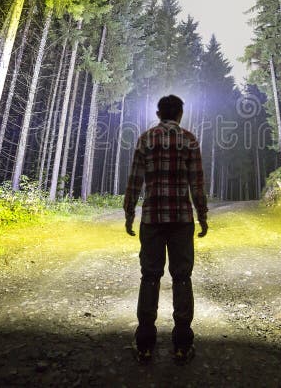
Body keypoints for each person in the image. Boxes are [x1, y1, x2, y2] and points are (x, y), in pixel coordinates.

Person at [123, 94, 209, 365]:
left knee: (150, 277)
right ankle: (182, 345)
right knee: (182, 278)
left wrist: (129, 213)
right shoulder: (189, 140)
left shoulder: (146, 139)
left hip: (152, 219)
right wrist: (202, 215)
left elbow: (135, 181)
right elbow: (197, 184)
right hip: (182, 220)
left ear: (159, 113)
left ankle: (145, 344)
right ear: (180, 114)